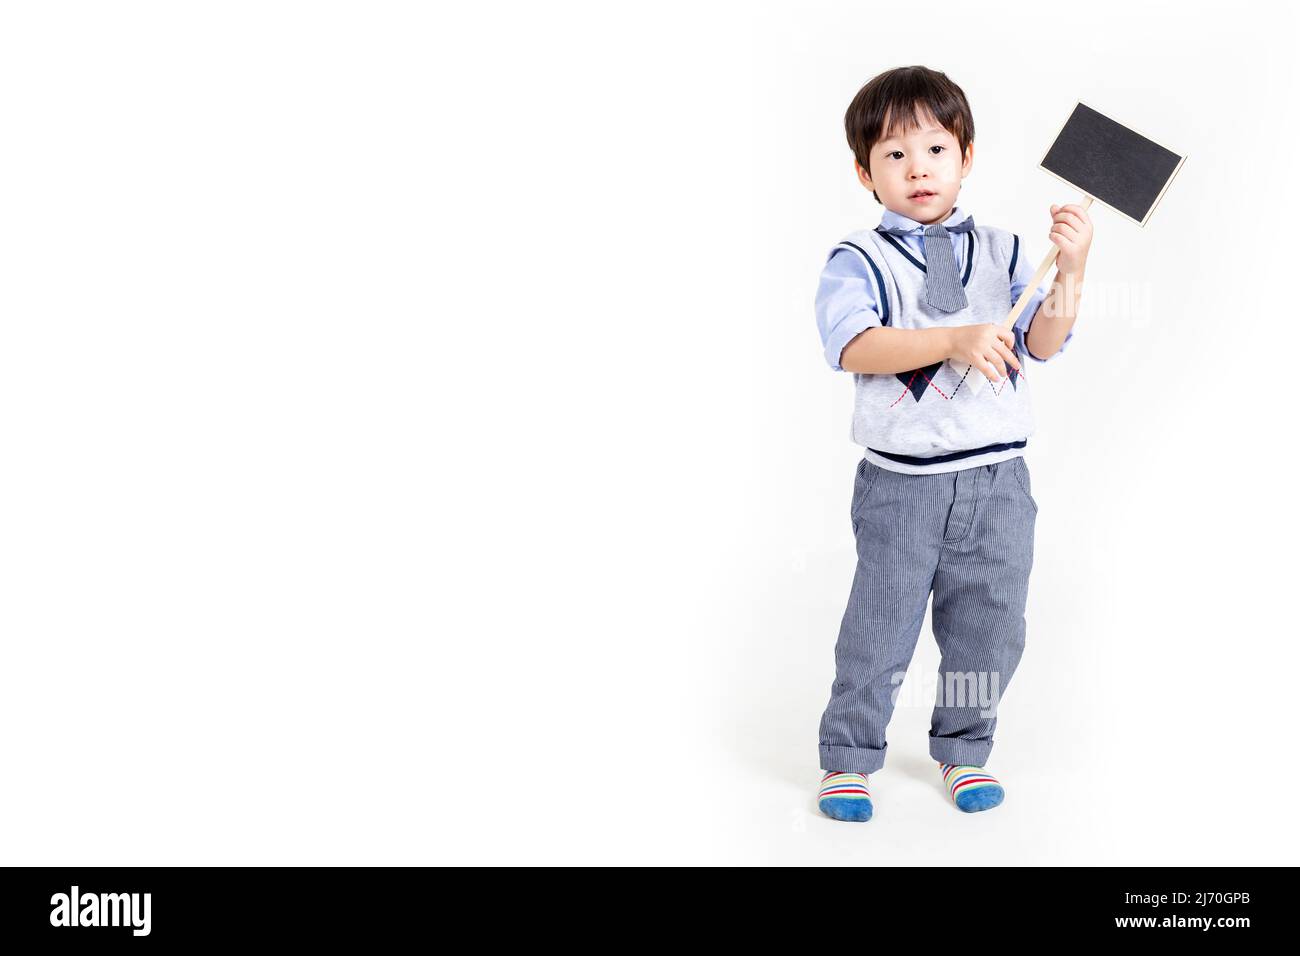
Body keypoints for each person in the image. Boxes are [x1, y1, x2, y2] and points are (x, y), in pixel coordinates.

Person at [813, 65, 1093, 822]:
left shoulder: (1005, 252)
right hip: (903, 488)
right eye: (894, 155)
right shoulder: (858, 260)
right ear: (864, 171)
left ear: (966, 156)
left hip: (999, 485)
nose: (917, 169)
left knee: (988, 632)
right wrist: (953, 339)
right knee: (879, 628)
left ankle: (963, 748)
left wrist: (1071, 267)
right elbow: (853, 348)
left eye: (935, 149)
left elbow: (1044, 338)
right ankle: (849, 754)